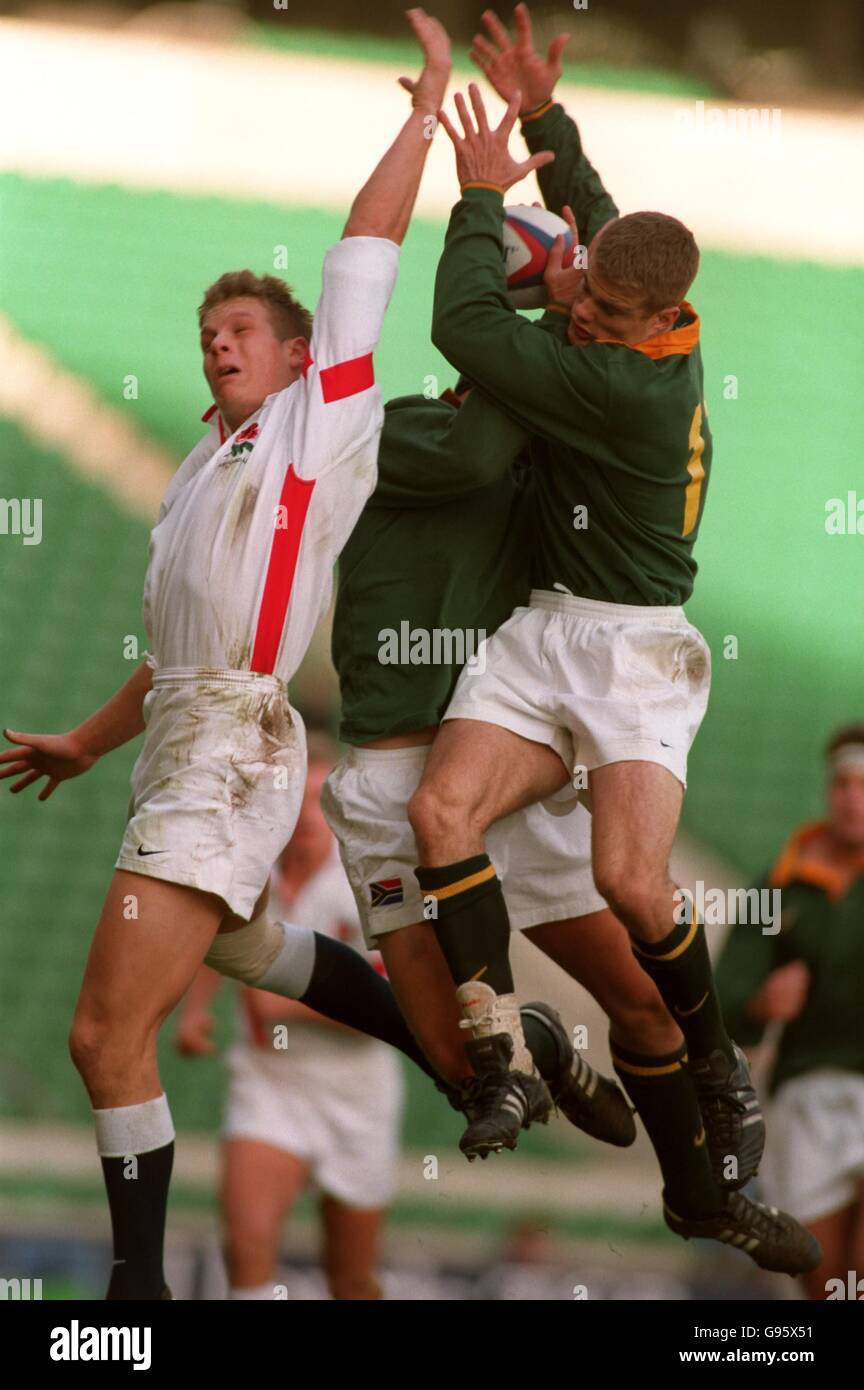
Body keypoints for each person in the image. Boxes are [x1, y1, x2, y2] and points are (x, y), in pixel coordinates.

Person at [0, 9, 454, 1301]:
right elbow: (176, 650)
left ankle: (134, 1301)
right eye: (211, 334)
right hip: (195, 732)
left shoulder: (317, 422)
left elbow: (363, 250)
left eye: (244, 327)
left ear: (304, 357)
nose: (221, 341)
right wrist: (90, 738)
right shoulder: (196, 472)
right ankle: (437, 1030)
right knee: (248, 947)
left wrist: (422, 112)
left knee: (103, 1035)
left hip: (239, 738)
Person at [408, 6, 764, 1208]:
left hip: (637, 652)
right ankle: (502, 1043)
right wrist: (544, 113)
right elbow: (597, 213)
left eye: (604, 319)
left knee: (634, 885)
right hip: (546, 625)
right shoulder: (634, 288)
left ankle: (716, 1065)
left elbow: (460, 323)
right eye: (587, 298)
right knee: (440, 813)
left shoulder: (626, 386)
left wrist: (475, 196)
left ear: (655, 327)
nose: (579, 311)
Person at [177, 741, 403, 1301]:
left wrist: (286, 1003)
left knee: (350, 1279)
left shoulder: (369, 882)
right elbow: (221, 934)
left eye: (316, 799)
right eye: (292, 797)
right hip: (269, 1082)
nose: (304, 813)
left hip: (357, 1094)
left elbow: (393, 1007)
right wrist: (197, 1010)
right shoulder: (252, 869)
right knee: (248, 1251)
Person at [716, 724, 864, 1298]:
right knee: (826, 1284)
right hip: (807, 1098)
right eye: (843, 784)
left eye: (863, 784)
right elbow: (721, 1004)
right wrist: (762, 1000)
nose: (853, 796)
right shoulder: (777, 891)